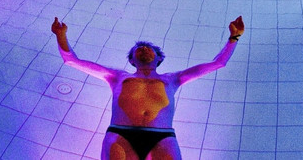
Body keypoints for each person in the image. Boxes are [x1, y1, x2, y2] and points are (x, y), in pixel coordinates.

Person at [51, 15, 245, 160]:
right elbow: (72, 61)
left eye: (148, 47)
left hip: (162, 137)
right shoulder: (116, 76)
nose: (143, 48)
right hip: (120, 134)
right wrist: (61, 35)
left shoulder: (173, 79)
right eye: (138, 49)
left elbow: (218, 63)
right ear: (132, 60)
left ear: (159, 58)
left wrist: (233, 38)